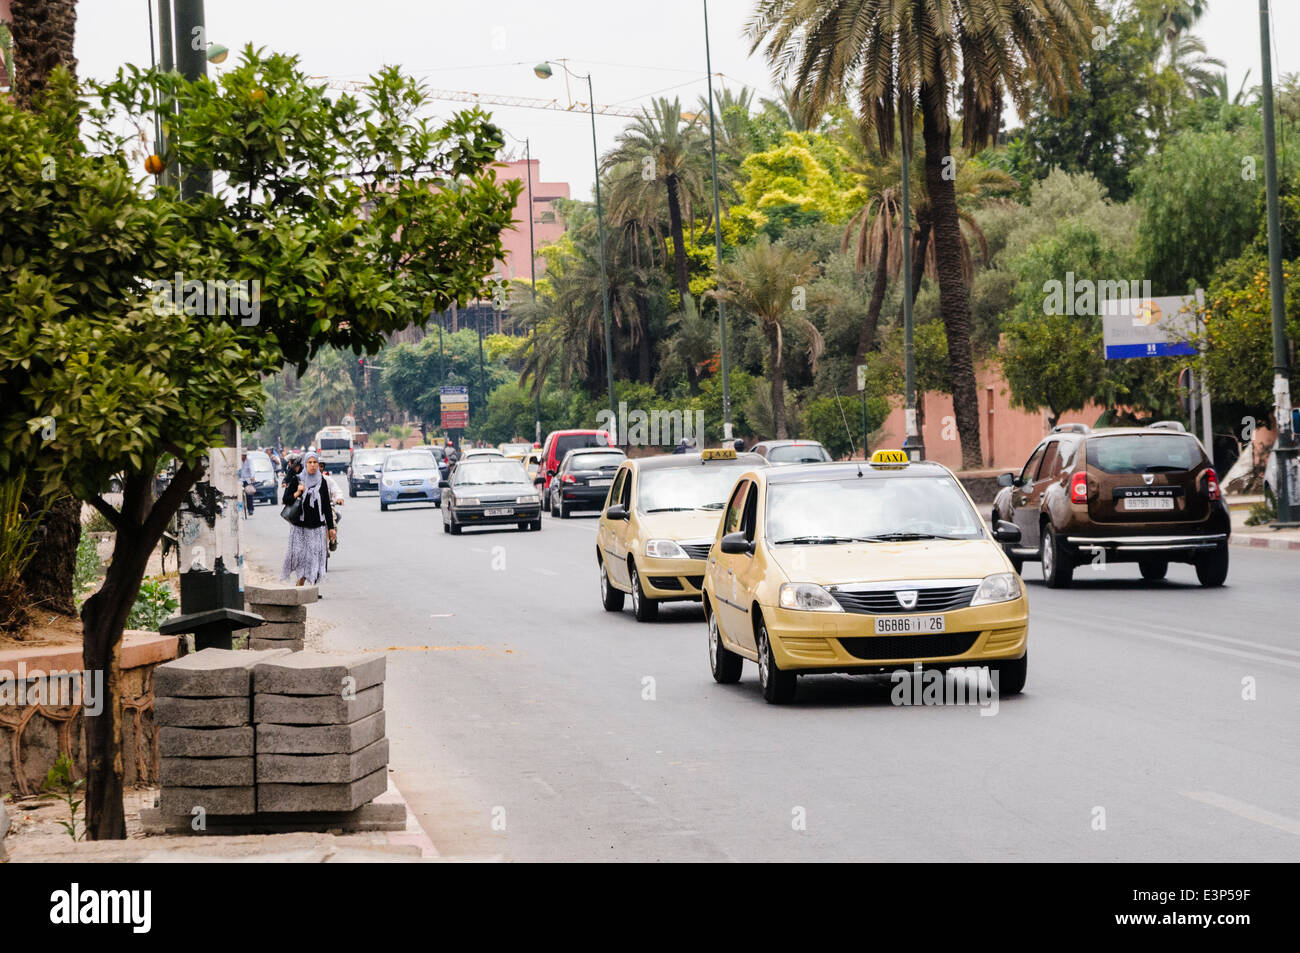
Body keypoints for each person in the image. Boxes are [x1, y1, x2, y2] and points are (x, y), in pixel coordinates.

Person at [280, 451, 335, 586]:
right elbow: (285, 499)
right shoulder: (297, 479)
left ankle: (311, 586)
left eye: (315, 462)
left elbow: (327, 506)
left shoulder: (322, 481)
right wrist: (298, 492)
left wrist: (331, 527)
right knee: (301, 557)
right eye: (309, 462)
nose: (312, 465)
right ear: (305, 464)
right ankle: (300, 583)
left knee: (314, 558)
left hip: (317, 527)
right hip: (300, 527)